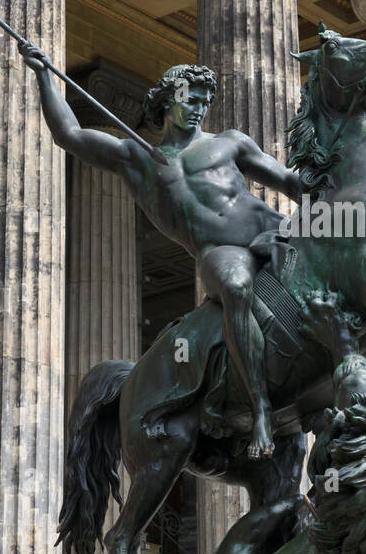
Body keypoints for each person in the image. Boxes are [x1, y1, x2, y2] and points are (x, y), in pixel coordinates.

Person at [22, 43, 301, 458]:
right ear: (168, 101)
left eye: (205, 102)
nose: (198, 109)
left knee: (354, 270)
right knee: (236, 287)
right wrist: (46, 75)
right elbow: (71, 135)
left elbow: (287, 181)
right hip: (221, 251)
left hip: (272, 231)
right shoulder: (139, 158)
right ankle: (261, 408)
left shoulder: (229, 143)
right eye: (190, 100)